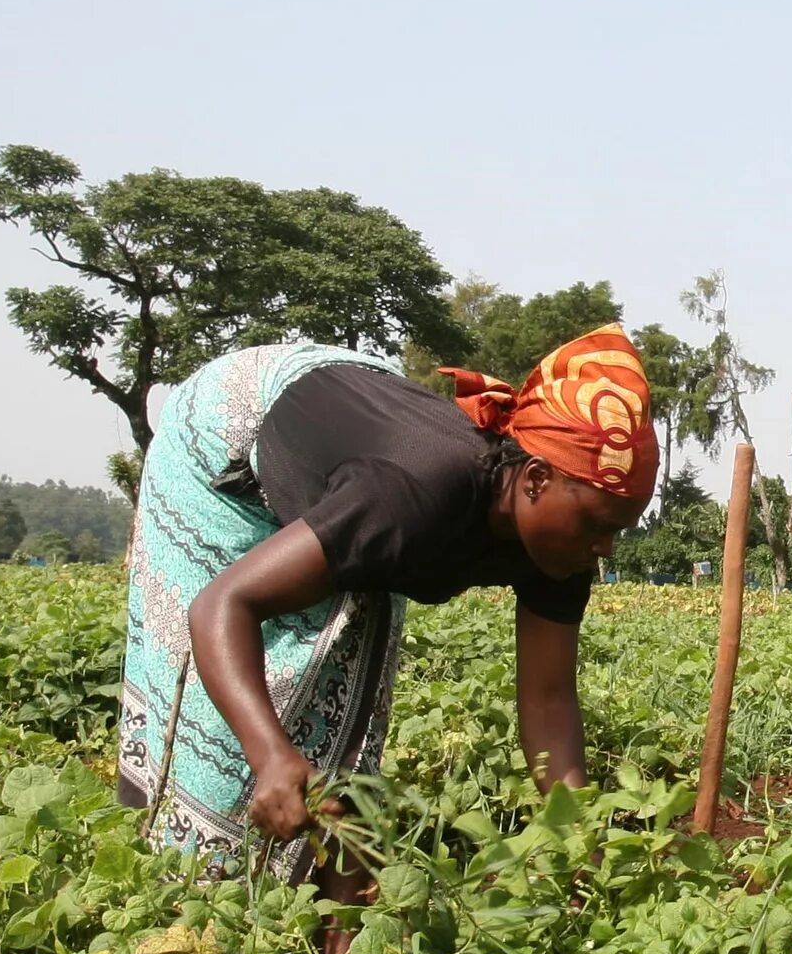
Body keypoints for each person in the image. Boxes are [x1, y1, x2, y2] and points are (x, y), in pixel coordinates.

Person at [118, 326, 655, 890]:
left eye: (617, 530)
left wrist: (585, 839)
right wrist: (271, 756)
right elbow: (221, 605)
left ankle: (335, 906)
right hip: (229, 429)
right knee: (228, 720)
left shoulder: (565, 551)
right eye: (597, 525)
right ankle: (181, 883)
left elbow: (547, 700)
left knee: (352, 677)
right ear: (537, 478)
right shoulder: (414, 496)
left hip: (356, 428)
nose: (605, 548)